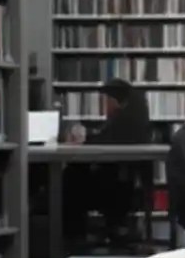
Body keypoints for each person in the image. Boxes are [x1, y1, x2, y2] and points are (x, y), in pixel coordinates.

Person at [61, 78, 154, 247]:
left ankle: (73, 238)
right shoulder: (132, 120)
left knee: (70, 177)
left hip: (113, 190)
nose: (104, 107)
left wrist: (83, 139)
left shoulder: (123, 122)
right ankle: (78, 236)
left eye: (106, 101)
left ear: (116, 102)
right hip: (121, 188)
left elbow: (103, 141)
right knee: (74, 173)